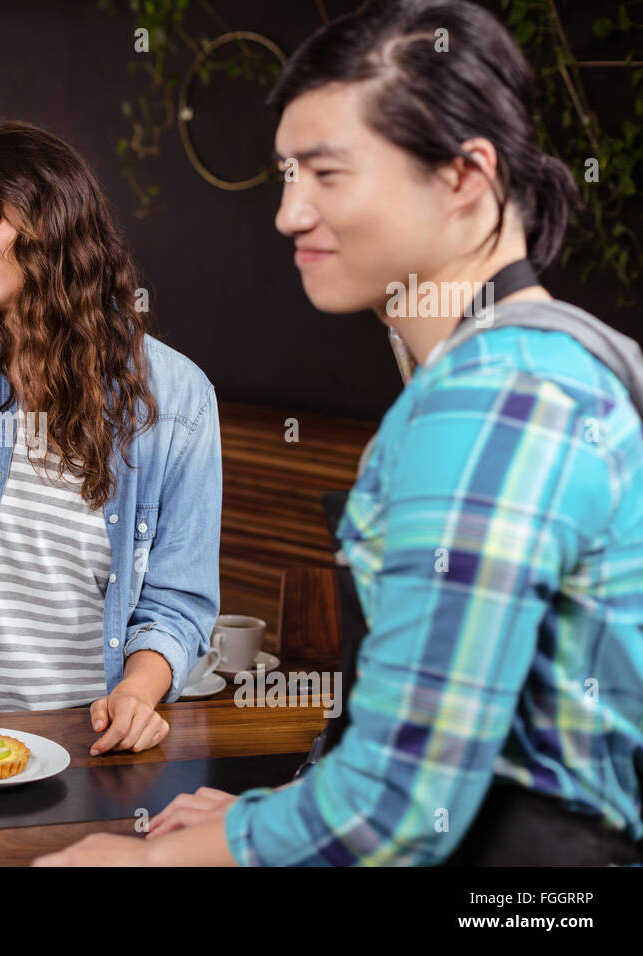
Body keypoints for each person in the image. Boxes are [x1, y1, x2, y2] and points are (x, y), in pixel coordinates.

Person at [38, 0, 643, 864]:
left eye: (326, 174)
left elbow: (400, 805)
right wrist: (286, 804)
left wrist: (146, 860)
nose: (289, 213)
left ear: (464, 176)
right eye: (287, 176)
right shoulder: (561, 357)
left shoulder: (491, 398)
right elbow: (462, 725)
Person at [0, 120, 221, 754]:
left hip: (90, 741)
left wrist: (136, 694)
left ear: (53, 215)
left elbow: (177, 605)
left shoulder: (178, 397)